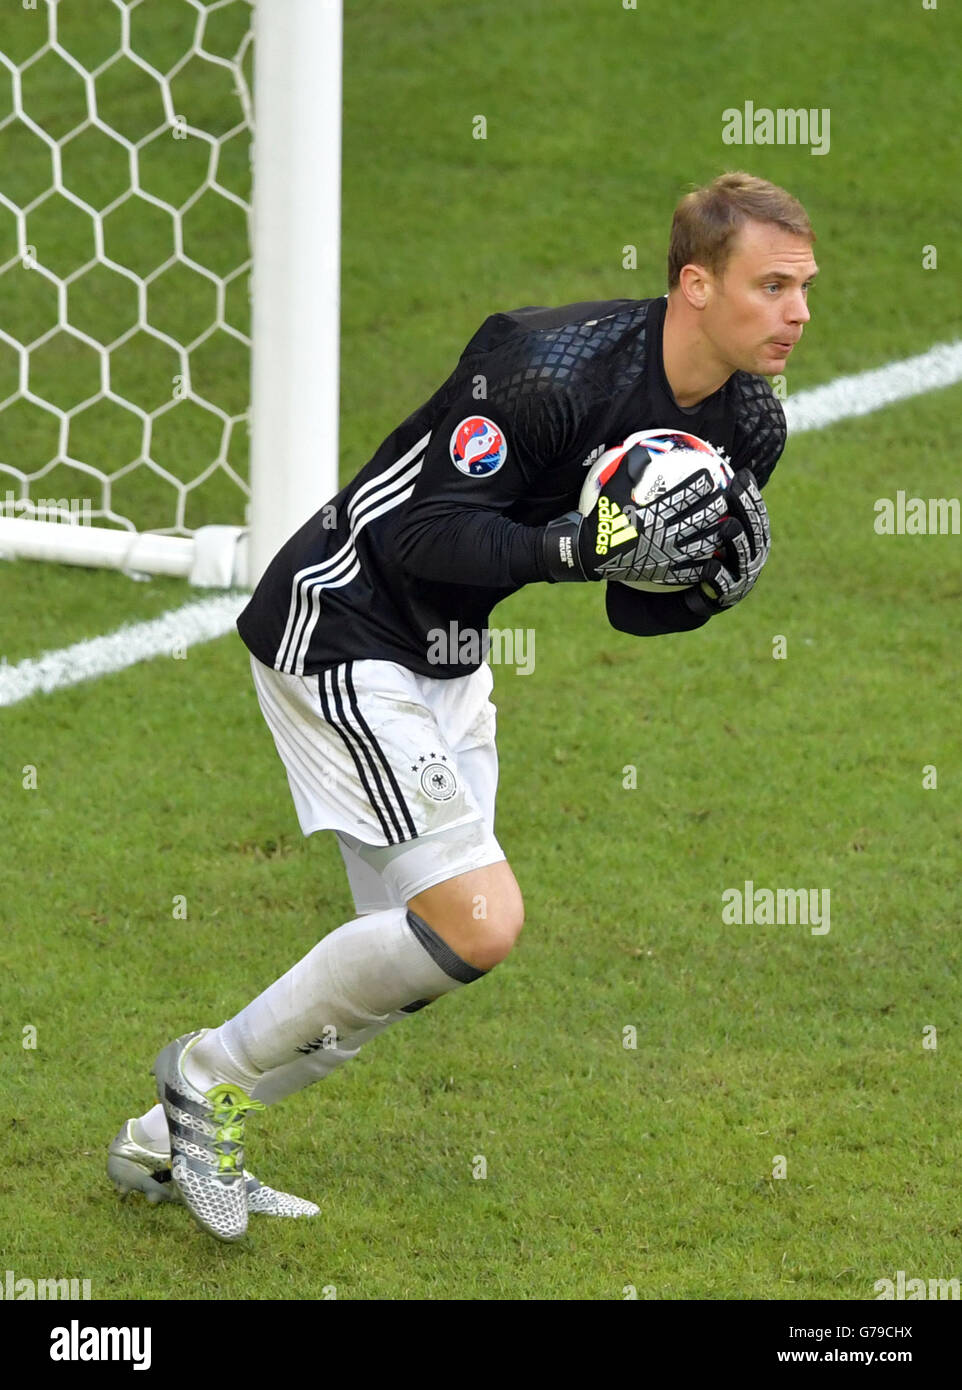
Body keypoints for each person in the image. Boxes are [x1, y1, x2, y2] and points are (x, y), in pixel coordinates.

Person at [108, 171, 817, 1241]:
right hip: (342, 620)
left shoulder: (747, 424)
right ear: (693, 285)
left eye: (805, 288)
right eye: (771, 287)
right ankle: (202, 1081)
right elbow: (420, 533)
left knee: (404, 959)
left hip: (447, 657)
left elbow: (635, 611)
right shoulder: (542, 368)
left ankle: (156, 1145)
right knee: (475, 921)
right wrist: (576, 547)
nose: (798, 314)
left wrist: (704, 595)